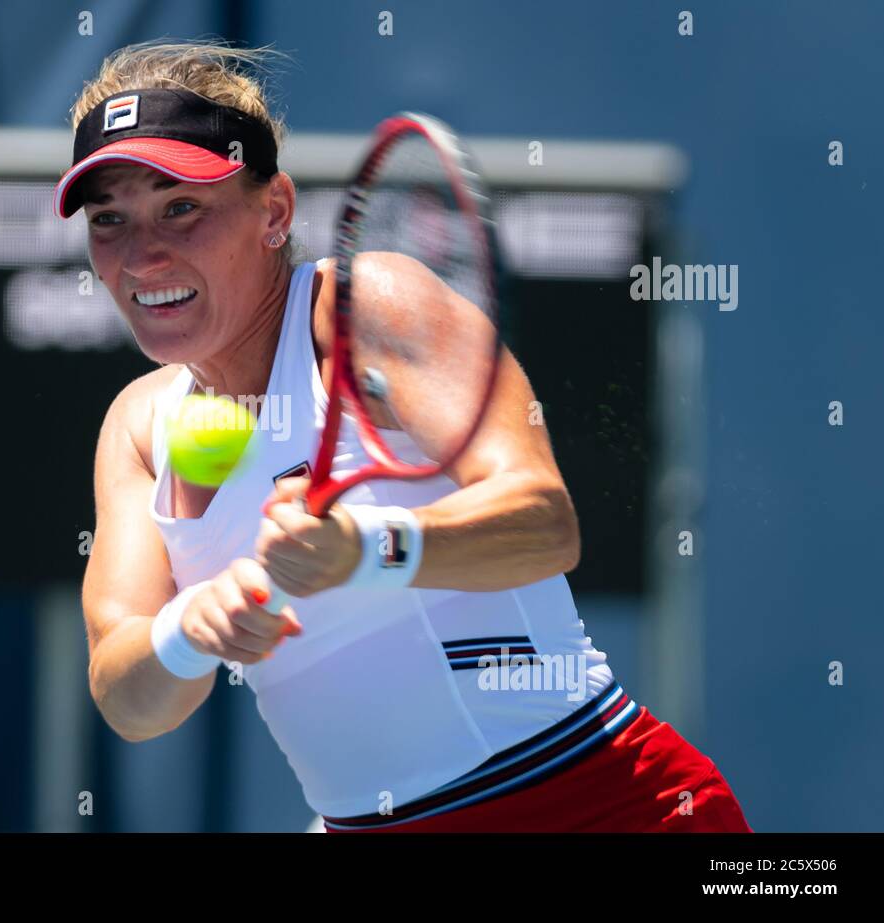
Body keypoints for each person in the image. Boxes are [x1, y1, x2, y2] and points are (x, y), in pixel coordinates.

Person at [59, 39, 751, 832]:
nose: (143, 255)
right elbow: (126, 692)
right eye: (110, 220)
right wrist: (194, 625)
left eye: (182, 207)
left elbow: (544, 521)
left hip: (593, 802)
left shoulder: (368, 309)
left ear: (274, 211)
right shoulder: (139, 426)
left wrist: (369, 547)